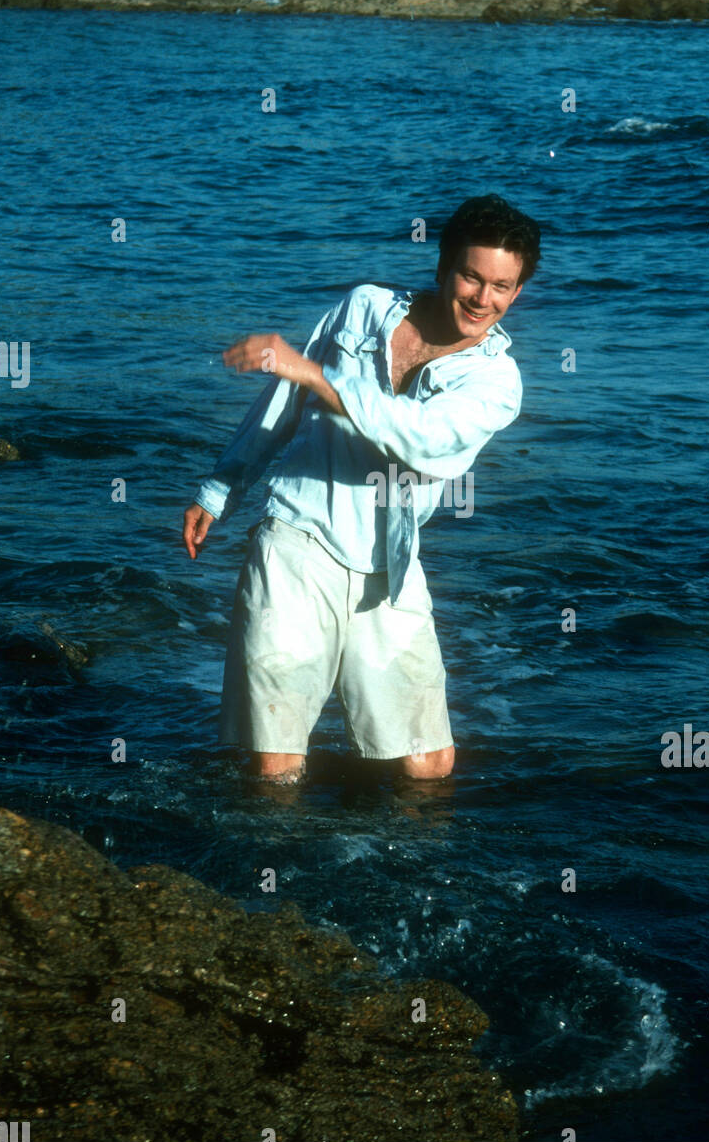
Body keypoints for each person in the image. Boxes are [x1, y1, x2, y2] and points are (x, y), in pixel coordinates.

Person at [183, 194, 541, 784]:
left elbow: (418, 437)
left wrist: (311, 370)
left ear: (518, 291)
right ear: (443, 268)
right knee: (276, 758)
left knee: (427, 765)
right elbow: (283, 403)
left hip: (389, 565)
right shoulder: (363, 308)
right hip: (296, 536)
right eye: (471, 277)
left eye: (502, 287)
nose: (483, 299)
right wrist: (219, 490)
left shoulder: (497, 382)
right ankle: (269, 867)